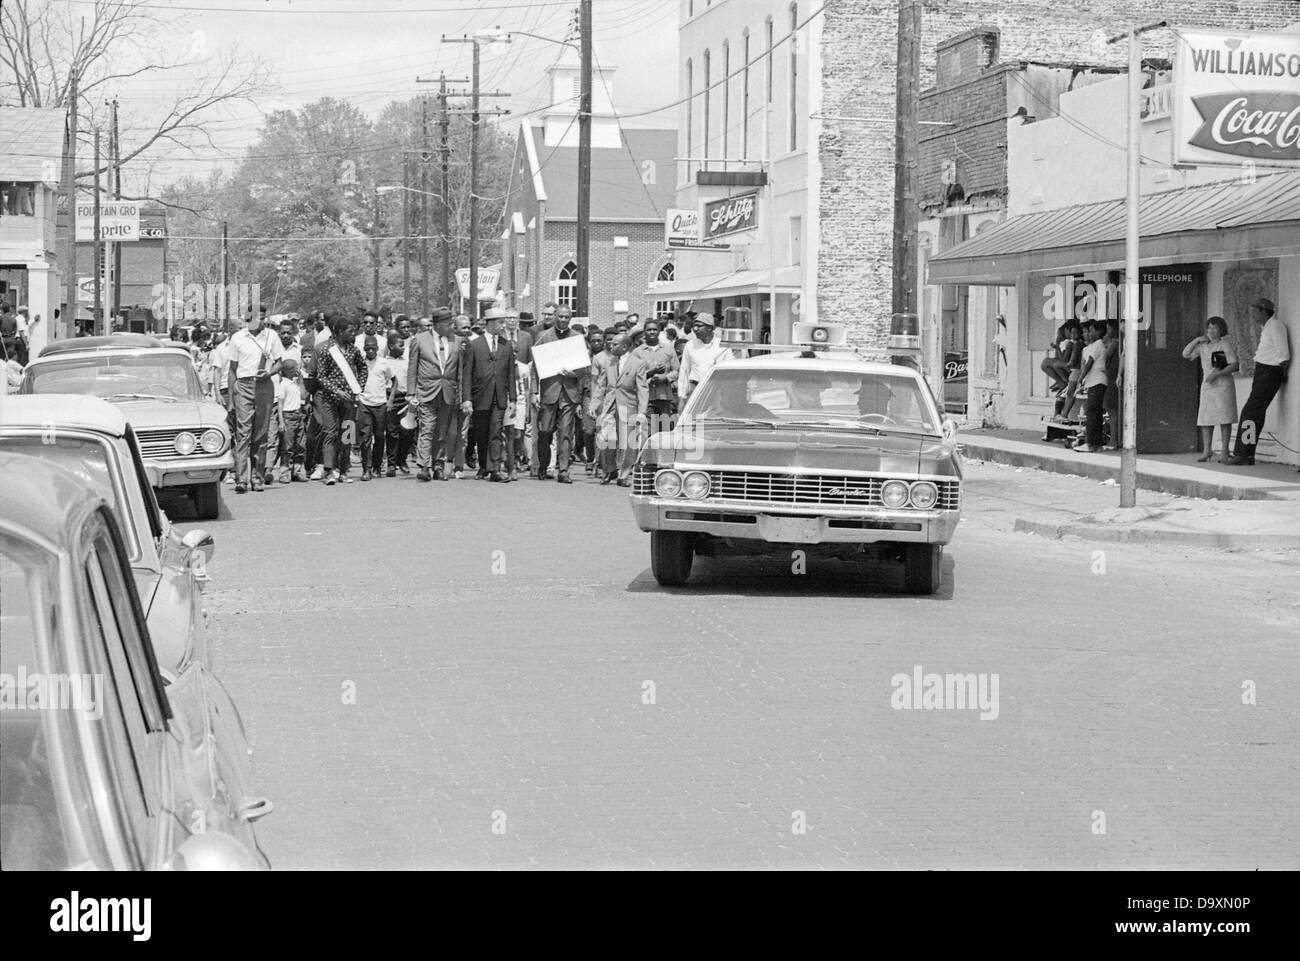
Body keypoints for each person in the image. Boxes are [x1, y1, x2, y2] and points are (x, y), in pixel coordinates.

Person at [226, 310, 284, 492]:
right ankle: (241, 479)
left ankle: (257, 478)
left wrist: (270, 372)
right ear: (248, 319)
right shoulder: (237, 338)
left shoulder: (272, 336)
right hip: (244, 386)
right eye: (257, 318)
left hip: (264, 385)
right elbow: (232, 370)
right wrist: (230, 398)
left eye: (263, 317)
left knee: (261, 433)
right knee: (243, 433)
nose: (260, 321)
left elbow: (280, 362)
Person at [1227, 298, 1289, 466]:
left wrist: (1277, 373)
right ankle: (1248, 454)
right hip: (1264, 370)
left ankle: (1241, 453)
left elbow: (1283, 353)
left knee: (1250, 412)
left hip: (1269, 372)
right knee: (1256, 413)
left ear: (1263, 311)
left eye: (1255, 312)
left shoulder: (1275, 326)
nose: (1253, 315)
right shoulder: (1267, 327)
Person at [406, 307, 465, 482]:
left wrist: (460, 395)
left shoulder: (457, 341)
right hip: (426, 391)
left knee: (442, 430)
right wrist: (411, 392)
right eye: (447, 324)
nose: (450, 327)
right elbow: (412, 368)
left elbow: (459, 371)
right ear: (437, 324)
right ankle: (424, 466)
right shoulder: (419, 339)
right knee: (427, 428)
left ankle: (438, 465)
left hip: (447, 391)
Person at [460, 307, 518, 482]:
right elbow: (467, 373)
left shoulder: (506, 345)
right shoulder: (474, 344)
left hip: (499, 396)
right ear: (490, 323)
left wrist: (513, 398)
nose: (503, 325)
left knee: (496, 431)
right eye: (500, 322)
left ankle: (494, 469)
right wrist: (467, 399)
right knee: (481, 432)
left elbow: (510, 374)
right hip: (480, 396)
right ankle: (484, 467)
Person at [532, 305, 586, 484]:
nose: (563, 320)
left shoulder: (577, 338)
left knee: (565, 433)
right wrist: (534, 392)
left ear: (571, 319)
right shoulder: (544, 338)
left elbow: (584, 368)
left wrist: (574, 374)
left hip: (569, 393)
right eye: (560, 317)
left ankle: (563, 470)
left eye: (567, 317)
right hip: (549, 391)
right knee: (545, 431)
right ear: (555, 316)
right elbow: (536, 367)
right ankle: (543, 465)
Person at [589, 332, 649, 486]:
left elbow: (642, 388)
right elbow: (601, 385)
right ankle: (609, 471)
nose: (611, 345)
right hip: (610, 406)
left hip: (628, 406)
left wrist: (642, 412)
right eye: (611, 343)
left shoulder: (637, 363)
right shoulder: (609, 362)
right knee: (607, 439)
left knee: (627, 442)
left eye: (615, 344)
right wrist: (594, 404)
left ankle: (624, 475)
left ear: (625, 347)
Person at [315, 316, 367, 485]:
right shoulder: (325, 349)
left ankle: (343, 470)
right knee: (330, 433)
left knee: (347, 433)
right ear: (339, 332)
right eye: (350, 331)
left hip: (349, 400)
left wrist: (358, 388)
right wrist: (336, 391)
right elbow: (321, 377)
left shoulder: (353, 350)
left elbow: (363, 367)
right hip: (329, 399)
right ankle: (329, 471)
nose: (354, 334)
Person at [1181, 316, 1239, 463]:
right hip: (1208, 385)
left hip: (1223, 385)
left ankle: (1225, 451)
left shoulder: (1225, 345)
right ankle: (1207, 450)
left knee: (1224, 418)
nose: (1211, 331)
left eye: (1215, 328)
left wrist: (1218, 374)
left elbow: (1234, 365)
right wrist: (1197, 340)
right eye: (1209, 327)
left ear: (1221, 330)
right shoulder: (1203, 346)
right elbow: (1186, 354)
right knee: (1206, 419)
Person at [356, 335, 397, 481]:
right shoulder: (360, 362)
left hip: (380, 404)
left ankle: (377, 467)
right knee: (365, 437)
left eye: (373, 348)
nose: (371, 351)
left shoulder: (383, 363)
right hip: (364, 403)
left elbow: (394, 380)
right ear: (364, 349)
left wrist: (390, 399)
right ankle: (366, 469)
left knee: (379, 437)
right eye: (368, 348)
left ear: (378, 349)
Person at [635, 318, 679, 435]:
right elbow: (635, 374)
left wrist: (665, 378)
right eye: (649, 330)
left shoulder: (668, 350)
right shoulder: (638, 352)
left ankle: (662, 454)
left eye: (655, 329)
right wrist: (650, 373)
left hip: (664, 397)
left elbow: (677, 370)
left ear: (659, 331)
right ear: (644, 332)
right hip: (646, 398)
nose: (652, 332)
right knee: (648, 432)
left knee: (664, 432)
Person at [1073, 321, 1109, 453]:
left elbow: (1089, 364)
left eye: (1091, 330)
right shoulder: (1089, 347)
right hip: (1092, 382)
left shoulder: (1098, 344)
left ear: (1099, 332)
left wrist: (1080, 379)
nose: (1088, 334)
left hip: (1097, 381)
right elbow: (1084, 364)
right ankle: (1096, 444)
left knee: (1091, 412)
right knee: (1095, 413)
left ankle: (1090, 443)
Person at [677, 313, 729, 402]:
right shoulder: (690, 345)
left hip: (717, 391)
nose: (695, 329)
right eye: (694, 326)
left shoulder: (723, 346)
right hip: (695, 390)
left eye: (699, 326)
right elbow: (684, 372)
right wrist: (682, 397)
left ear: (710, 328)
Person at [274, 357, 308, 482]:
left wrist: (301, 382)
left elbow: (303, 396)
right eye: (295, 368)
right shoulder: (283, 384)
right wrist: (281, 421)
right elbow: (280, 403)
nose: (297, 370)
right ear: (289, 370)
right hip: (288, 416)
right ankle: (284, 472)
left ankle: (297, 470)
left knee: (300, 444)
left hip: (298, 414)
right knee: (287, 446)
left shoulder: (295, 383)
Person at [384, 331, 414, 476]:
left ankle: (402, 459)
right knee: (392, 432)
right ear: (390, 346)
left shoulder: (407, 361)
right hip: (389, 398)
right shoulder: (384, 361)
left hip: (405, 398)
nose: (403, 348)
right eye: (400, 345)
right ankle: (391, 463)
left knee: (407, 431)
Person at [1041, 322, 1074, 394]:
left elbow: (1064, 360)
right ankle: (1059, 382)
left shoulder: (1069, 343)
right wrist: (1057, 345)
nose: (1057, 336)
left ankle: (1061, 383)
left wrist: (1057, 347)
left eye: (1059, 334)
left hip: (1069, 368)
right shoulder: (1064, 343)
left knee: (1046, 362)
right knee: (1046, 361)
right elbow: (1057, 357)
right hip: (1065, 366)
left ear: (1066, 331)